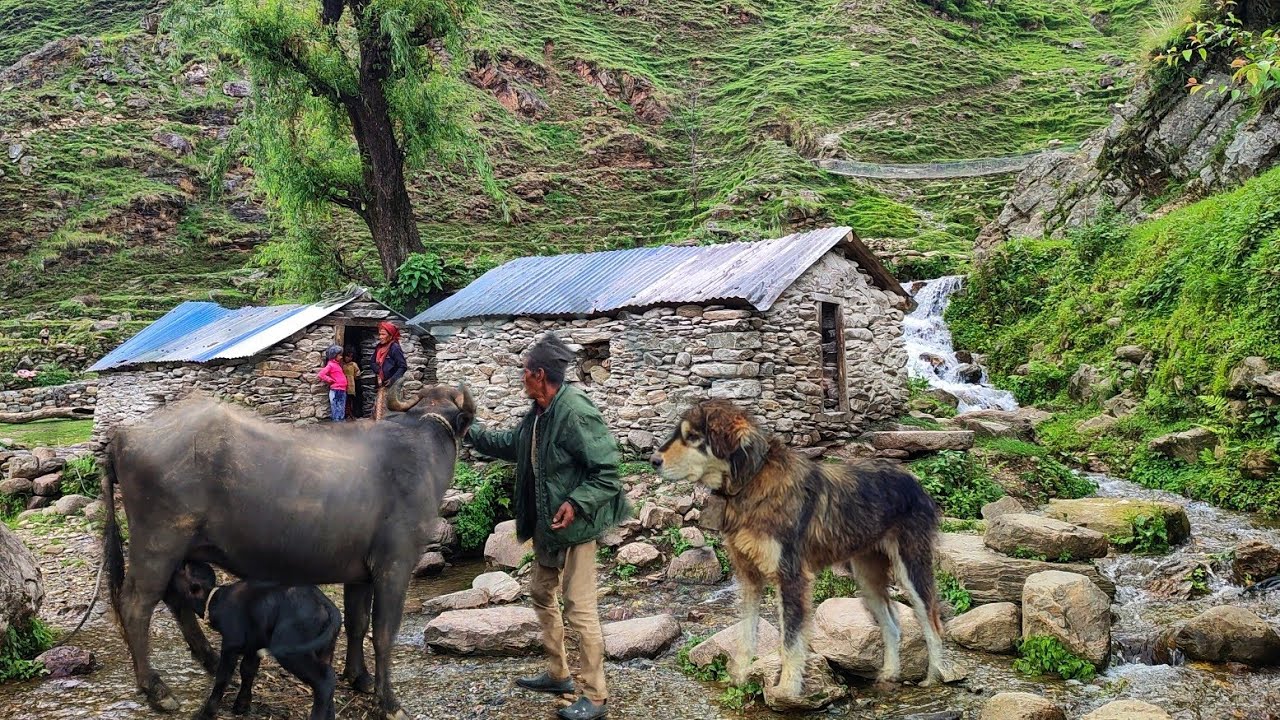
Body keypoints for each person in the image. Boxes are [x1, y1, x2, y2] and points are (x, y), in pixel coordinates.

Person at [467, 333, 627, 720]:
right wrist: (465, 428)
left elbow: (608, 473)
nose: (520, 377)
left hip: (576, 526)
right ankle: (559, 673)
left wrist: (576, 502)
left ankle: (597, 696)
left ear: (539, 375)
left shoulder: (574, 411)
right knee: (541, 591)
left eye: (524, 371)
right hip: (547, 524)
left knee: (579, 607)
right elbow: (512, 444)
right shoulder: (539, 412)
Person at [372, 321, 407, 421]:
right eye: (380, 334)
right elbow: (372, 362)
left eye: (383, 334)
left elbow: (402, 366)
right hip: (381, 385)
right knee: (379, 411)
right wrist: (379, 370)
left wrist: (392, 379)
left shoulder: (394, 348)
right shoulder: (379, 347)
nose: (380, 337)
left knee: (392, 411)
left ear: (390, 336)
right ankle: (380, 431)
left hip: (393, 386)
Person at [316, 344, 347, 422]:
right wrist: (329, 380)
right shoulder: (330, 365)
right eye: (339, 355)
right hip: (336, 389)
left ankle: (341, 420)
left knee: (341, 406)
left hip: (342, 389)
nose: (341, 357)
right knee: (336, 406)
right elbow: (321, 374)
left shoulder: (337, 365)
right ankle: (337, 422)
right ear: (334, 355)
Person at [341, 347, 361, 420]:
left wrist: (358, 374)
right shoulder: (341, 364)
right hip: (342, 384)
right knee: (344, 400)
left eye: (351, 357)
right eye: (347, 356)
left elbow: (357, 373)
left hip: (351, 384)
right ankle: (345, 413)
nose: (349, 358)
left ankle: (350, 413)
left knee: (350, 400)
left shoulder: (353, 364)